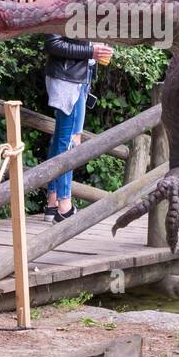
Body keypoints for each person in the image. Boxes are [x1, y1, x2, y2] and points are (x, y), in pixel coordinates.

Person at [43, 34, 113, 223]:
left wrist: (94, 49)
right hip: (68, 80)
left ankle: (53, 200)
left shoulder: (86, 9)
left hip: (79, 78)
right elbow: (52, 43)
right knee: (69, 140)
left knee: (61, 138)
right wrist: (91, 51)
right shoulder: (61, 5)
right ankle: (64, 205)